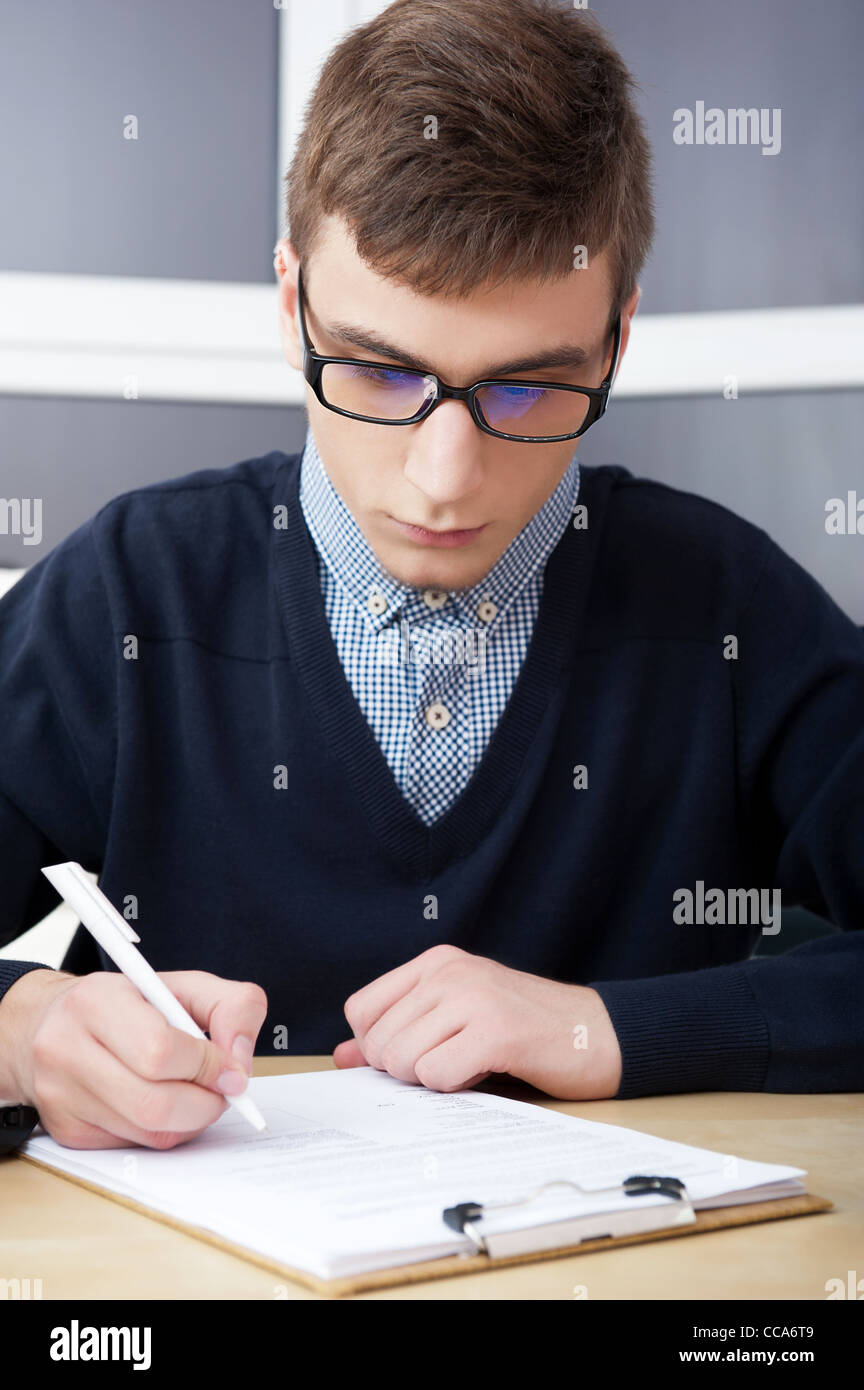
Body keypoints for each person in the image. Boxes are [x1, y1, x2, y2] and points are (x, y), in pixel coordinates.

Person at [0, 0, 861, 1155]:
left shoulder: (726, 611)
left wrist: (607, 1030)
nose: (443, 478)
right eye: (379, 372)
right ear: (292, 304)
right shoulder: (125, 598)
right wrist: (22, 1030)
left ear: (617, 340)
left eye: (528, 387)